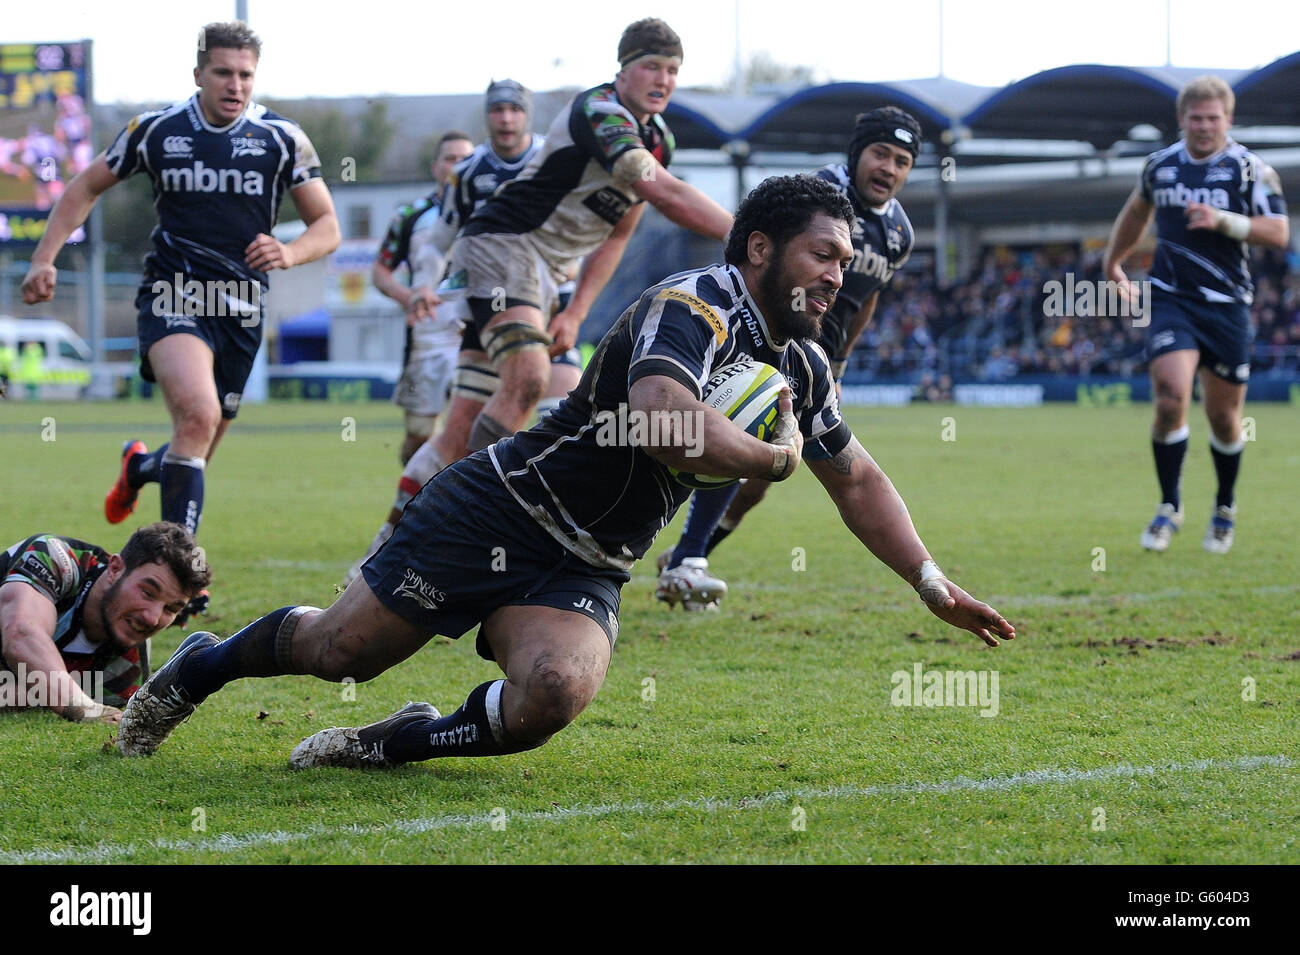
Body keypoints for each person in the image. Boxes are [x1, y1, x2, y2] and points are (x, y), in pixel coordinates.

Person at [116, 175, 1014, 768]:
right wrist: (769, 457)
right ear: (759, 250)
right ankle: (201, 665)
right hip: (500, 508)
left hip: (589, 556)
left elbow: (856, 478)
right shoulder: (690, 308)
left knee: (554, 694)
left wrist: (931, 582)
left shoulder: (803, 368)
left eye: (847, 264)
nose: (836, 278)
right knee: (335, 652)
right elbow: (666, 422)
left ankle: (397, 743)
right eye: (823, 256)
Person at [343, 23, 733, 582]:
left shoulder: (659, 139)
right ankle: (470, 526)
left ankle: (386, 553)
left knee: (464, 431)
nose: (663, 80)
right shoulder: (599, 111)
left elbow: (619, 235)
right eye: (652, 67)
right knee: (529, 380)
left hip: (551, 277)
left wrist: (575, 313)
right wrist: (747, 234)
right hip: (505, 248)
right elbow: (664, 193)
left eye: (673, 70)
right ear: (623, 69)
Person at [20, 21, 339, 625]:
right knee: (198, 416)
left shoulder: (281, 138)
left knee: (200, 443)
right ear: (199, 74)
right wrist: (44, 258)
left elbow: (328, 224)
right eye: (223, 72)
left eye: (245, 74)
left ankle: (142, 466)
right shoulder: (158, 130)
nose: (235, 84)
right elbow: (85, 185)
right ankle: (178, 574)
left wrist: (290, 251)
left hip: (241, 313)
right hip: (174, 294)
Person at [655, 107, 919, 609]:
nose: (889, 168)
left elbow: (867, 300)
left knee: (758, 485)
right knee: (736, 435)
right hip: (767, 337)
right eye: (880, 153)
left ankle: (689, 556)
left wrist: (837, 366)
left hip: (813, 358)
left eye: (902, 160)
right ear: (856, 153)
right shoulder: (816, 198)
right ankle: (687, 561)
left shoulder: (900, 234)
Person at [1104, 75, 1288, 554]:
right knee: (1170, 397)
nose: (1204, 126)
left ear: (1228, 120)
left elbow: (1279, 232)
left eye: (1213, 118)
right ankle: (1169, 506)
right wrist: (1113, 261)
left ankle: (1224, 507)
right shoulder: (1160, 167)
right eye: (1195, 118)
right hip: (1171, 299)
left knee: (1225, 419)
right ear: (1181, 120)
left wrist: (1223, 221)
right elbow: (1136, 212)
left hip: (1227, 306)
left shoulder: (1251, 170)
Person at [0, 523, 210, 724]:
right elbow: (22, 632)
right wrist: (81, 707)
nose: (152, 618)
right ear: (115, 569)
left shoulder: (128, 668)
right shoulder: (57, 558)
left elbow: (23, 697)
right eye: (147, 592)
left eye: (170, 609)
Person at [372, 130, 474, 465]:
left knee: (478, 432)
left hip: (475, 334)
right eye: (450, 158)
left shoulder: (493, 211)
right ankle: (415, 498)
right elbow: (380, 271)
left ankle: (468, 507)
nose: (457, 165)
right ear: (435, 167)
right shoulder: (410, 216)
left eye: (465, 159)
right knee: (419, 434)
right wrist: (408, 297)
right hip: (426, 337)